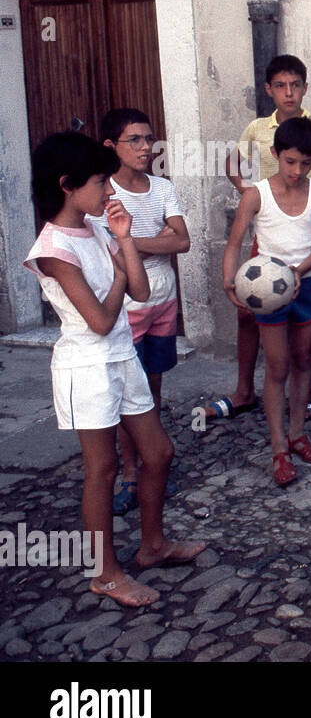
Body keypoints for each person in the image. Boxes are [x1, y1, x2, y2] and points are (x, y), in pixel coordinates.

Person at [23, 132, 204, 607]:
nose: (110, 191)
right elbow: (100, 320)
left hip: (122, 358)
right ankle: (105, 573)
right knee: (102, 470)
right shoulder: (53, 248)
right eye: (102, 181)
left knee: (158, 453)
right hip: (88, 366)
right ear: (67, 185)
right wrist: (124, 270)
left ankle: (152, 546)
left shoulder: (98, 228)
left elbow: (141, 294)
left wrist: (123, 240)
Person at [206, 54, 311, 421]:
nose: (289, 93)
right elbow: (232, 163)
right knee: (252, 307)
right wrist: (248, 193)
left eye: (296, 85)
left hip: (307, 230)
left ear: (305, 87)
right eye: (281, 86)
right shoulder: (258, 129)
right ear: (269, 90)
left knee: (306, 313)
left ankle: (304, 394)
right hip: (269, 235)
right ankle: (244, 391)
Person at [88, 108, 189, 514]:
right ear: (111, 146)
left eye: (149, 139)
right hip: (126, 304)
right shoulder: (103, 193)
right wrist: (153, 239)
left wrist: (134, 242)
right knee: (129, 395)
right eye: (136, 140)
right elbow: (108, 250)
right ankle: (130, 473)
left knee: (153, 388)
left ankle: (153, 462)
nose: (146, 147)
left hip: (163, 299)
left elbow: (182, 241)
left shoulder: (162, 188)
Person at [222, 117, 311, 487]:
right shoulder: (256, 194)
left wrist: (297, 272)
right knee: (278, 366)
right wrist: (228, 278)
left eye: (306, 163)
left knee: (304, 361)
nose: (297, 170)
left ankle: (298, 434)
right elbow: (235, 242)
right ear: (275, 155)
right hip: (267, 293)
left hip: (307, 286)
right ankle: (278, 448)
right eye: (289, 162)